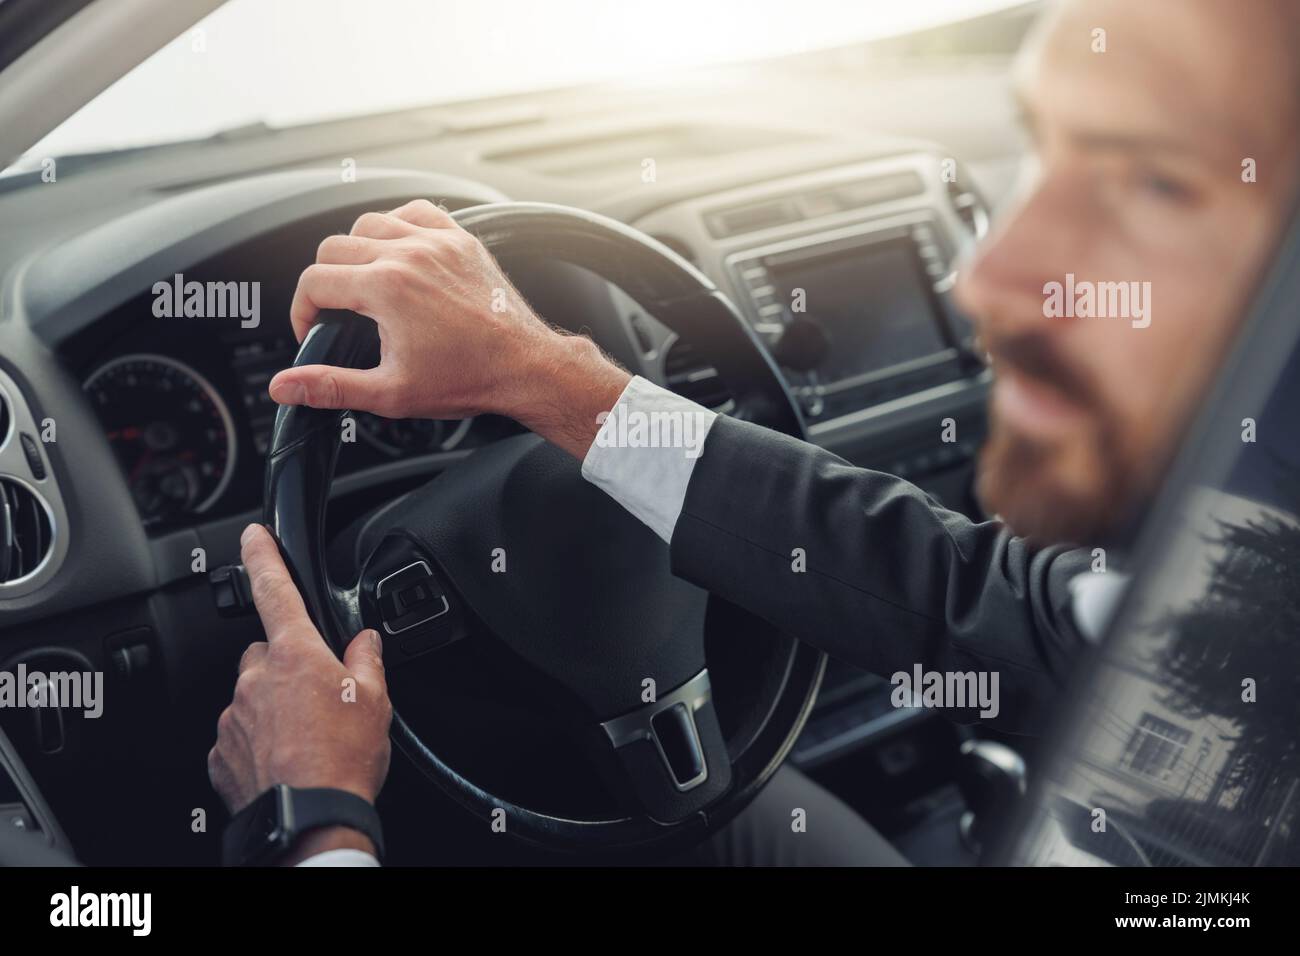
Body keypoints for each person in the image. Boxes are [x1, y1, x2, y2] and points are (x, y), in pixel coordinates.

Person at [208, 0, 1300, 865]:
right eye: (1039, 153)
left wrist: (313, 813)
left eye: (1155, 182)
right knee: (726, 811)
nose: (986, 283)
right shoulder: (1255, 570)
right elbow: (972, 598)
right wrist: (546, 378)